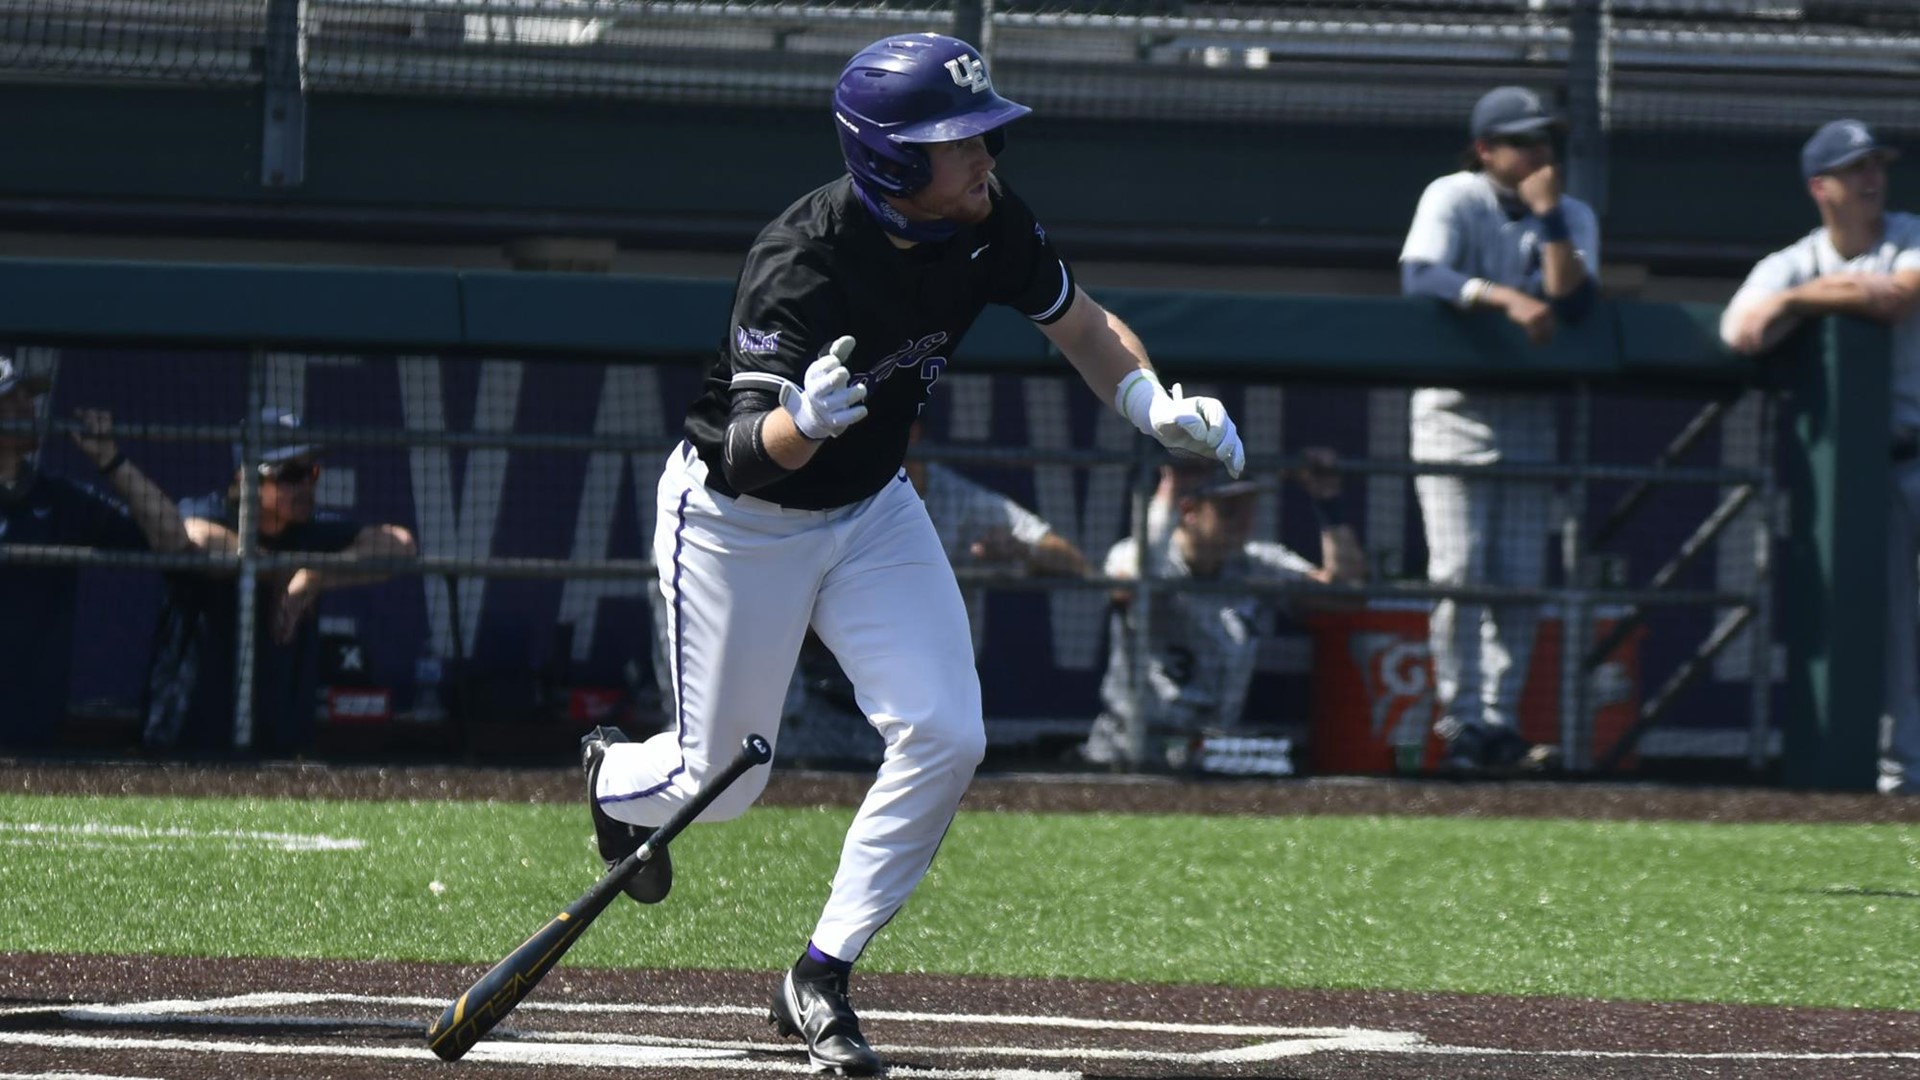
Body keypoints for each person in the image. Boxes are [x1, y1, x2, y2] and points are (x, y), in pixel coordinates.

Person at [584, 32, 1244, 1076]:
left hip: (871, 513)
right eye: (960, 140)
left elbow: (1078, 323)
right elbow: (752, 457)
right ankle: (615, 781)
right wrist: (804, 420)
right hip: (736, 522)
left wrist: (1151, 402)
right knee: (724, 780)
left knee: (945, 731)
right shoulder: (797, 262)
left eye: (985, 134)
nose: (986, 155)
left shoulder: (986, 221)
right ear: (891, 162)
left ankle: (821, 971)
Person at [1398, 85, 1600, 773]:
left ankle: (1501, 722)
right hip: (1454, 410)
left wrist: (1547, 218)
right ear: (1486, 148)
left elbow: (1574, 303)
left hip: (1527, 414)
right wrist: (1507, 298)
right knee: (1458, 569)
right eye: (1523, 141)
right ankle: (1461, 719)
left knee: (1518, 578)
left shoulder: (1569, 214)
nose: (1540, 152)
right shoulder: (1453, 195)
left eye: (1546, 140)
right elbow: (1420, 277)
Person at [1720, 119, 1920, 795]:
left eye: (1877, 165)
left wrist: (1799, 303)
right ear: (1820, 187)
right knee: (1891, 626)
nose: (1873, 178)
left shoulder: (1909, 233)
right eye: (1856, 169)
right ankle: (1905, 776)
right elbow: (1743, 329)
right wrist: (1805, 294)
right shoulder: (1793, 260)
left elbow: (1897, 297)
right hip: (1875, 474)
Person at [143, 408, 417, 757]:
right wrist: (281, 572)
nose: (306, 486)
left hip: (279, 738)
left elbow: (400, 545)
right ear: (247, 478)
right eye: (292, 474)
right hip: (190, 731)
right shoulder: (208, 512)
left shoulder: (311, 529)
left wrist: (316, 575)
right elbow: (191, 536)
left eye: (312, 472)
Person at [1081, 450, 1367, 768]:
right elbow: (1125, 588)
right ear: (1189, 511)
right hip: (1130, 746)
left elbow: (1345, 595)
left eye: (1248, 507)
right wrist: (1169, 492)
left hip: (1211, 749)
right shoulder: (1139, 555)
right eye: (1228, 509)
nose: (1243, 520)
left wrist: (1328, 503)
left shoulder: (1258, 564)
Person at [0, 353, 190, 749]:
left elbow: (172, 539)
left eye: (27, 398)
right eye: (11, 399)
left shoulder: (60, 500)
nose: (27, 408)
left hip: (29, 721)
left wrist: (110, 459)